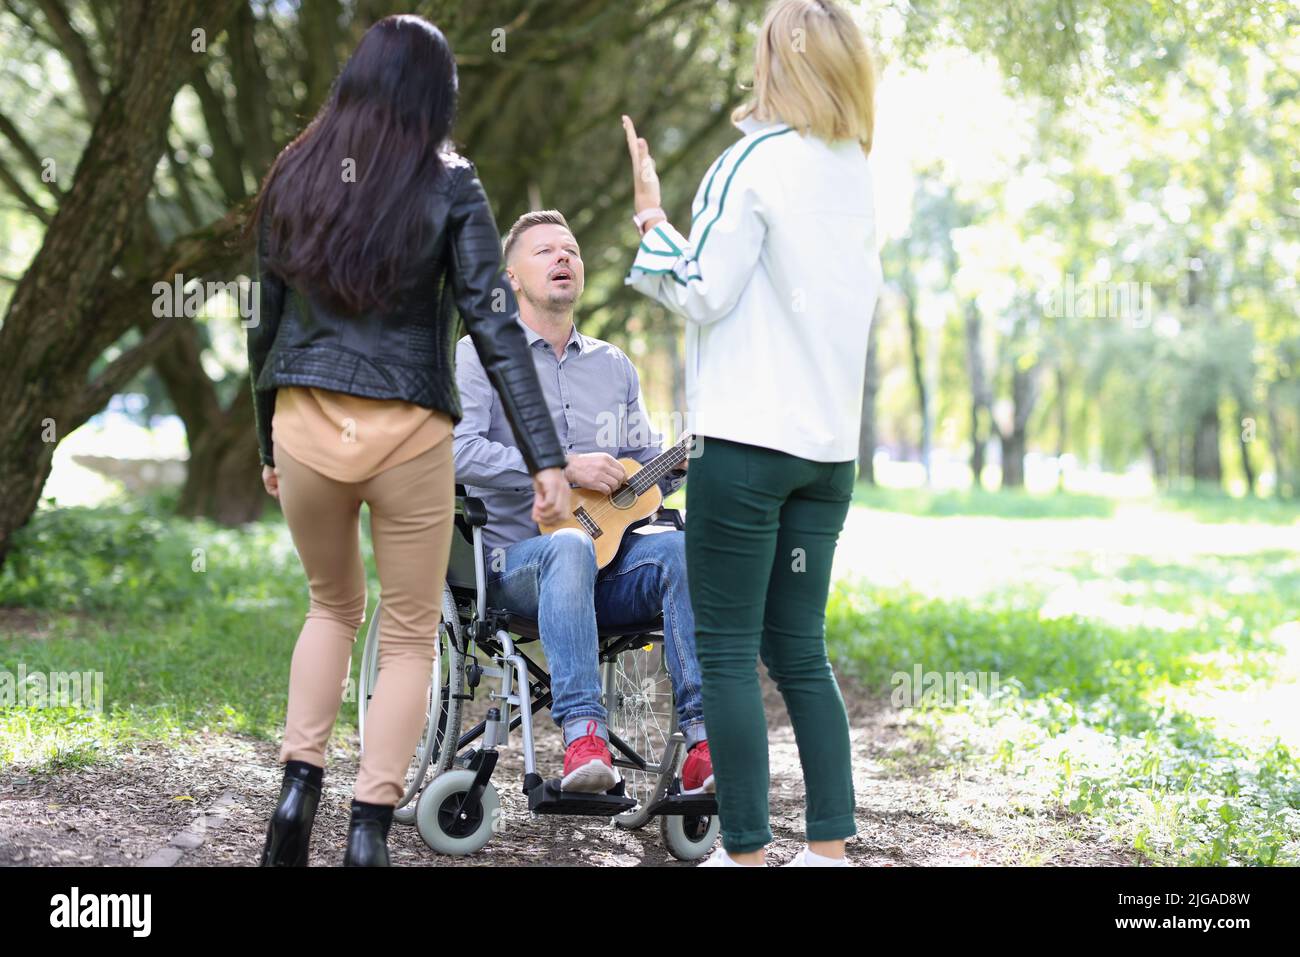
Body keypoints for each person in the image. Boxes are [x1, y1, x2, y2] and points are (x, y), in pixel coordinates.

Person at [247, 14, 569, 867]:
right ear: (438, 95)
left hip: (305, 422)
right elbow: (496, 328)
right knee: (405, 630)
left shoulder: (295, 172)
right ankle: (366, 832)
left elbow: (263, 321)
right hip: (409, 435)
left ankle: (293, 794)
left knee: (329, 606)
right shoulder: (452, 182)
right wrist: (546, 460)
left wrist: (268, 442)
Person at [621, 0, 881, 866]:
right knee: (801, 652)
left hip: (745, 447)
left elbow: (702, 288)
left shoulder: (754, 162)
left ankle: (747, 854)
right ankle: (832, 852)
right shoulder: (859, 174)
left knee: (728, 653)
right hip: (828, 454)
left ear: (779, 62)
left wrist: (653, 225)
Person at [453, 209, 712, 794]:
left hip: (608, 566)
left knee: (684, 550)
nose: (562, 258)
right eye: (544, 251)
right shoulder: (479, 354)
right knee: (566, 544)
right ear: (512, 277)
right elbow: (456, 452)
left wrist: (683, 463)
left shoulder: (613, 365)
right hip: (515, 564)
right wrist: (559, 468)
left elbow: (644, 474)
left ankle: (701, 744)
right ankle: (583, 739)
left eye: (570, 249)